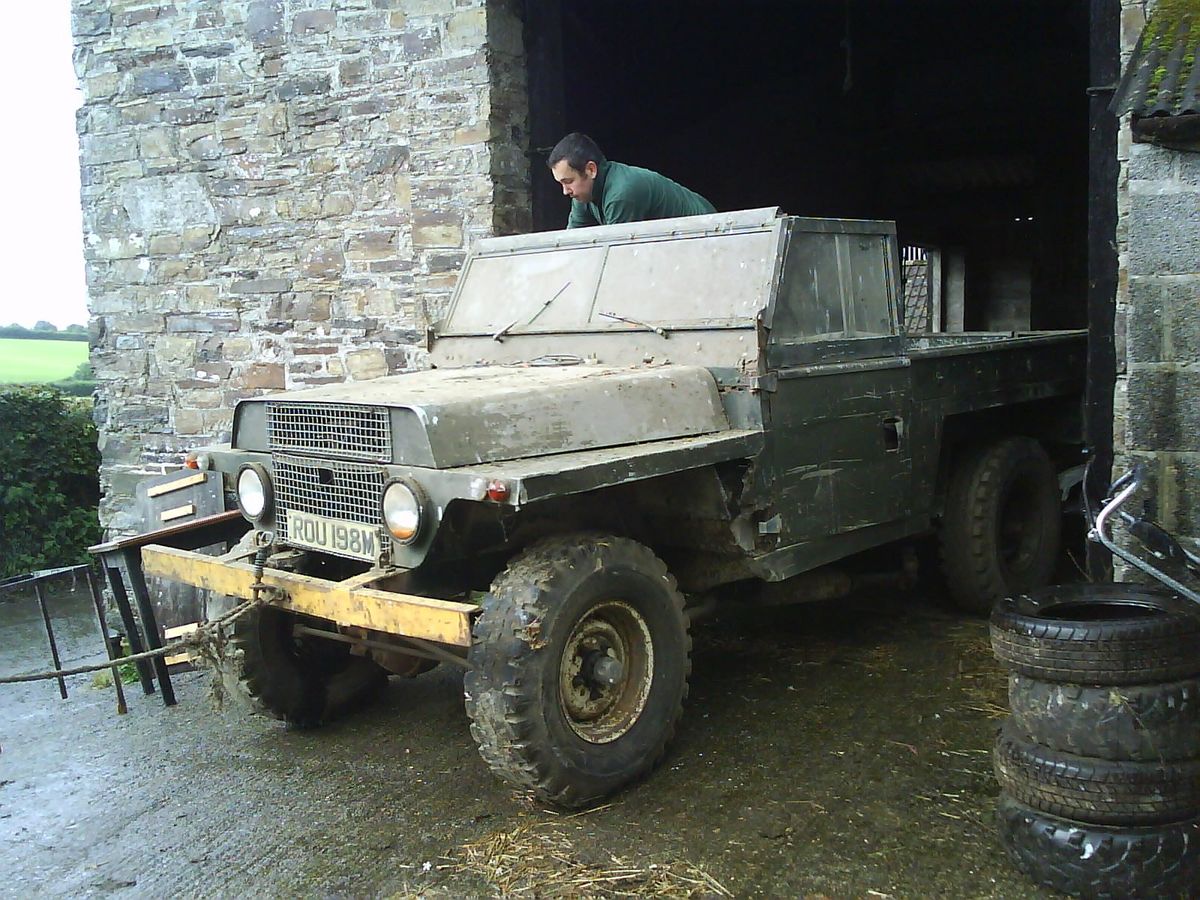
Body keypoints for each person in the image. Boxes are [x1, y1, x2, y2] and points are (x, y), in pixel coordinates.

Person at [548, 133, 715, 229]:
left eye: (568, 181)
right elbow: (572, 241)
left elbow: (617, 256)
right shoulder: (583, 195)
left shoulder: (621, 194)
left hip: (708, 231)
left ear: (591, 170)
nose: (565, 191)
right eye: (561, 183)